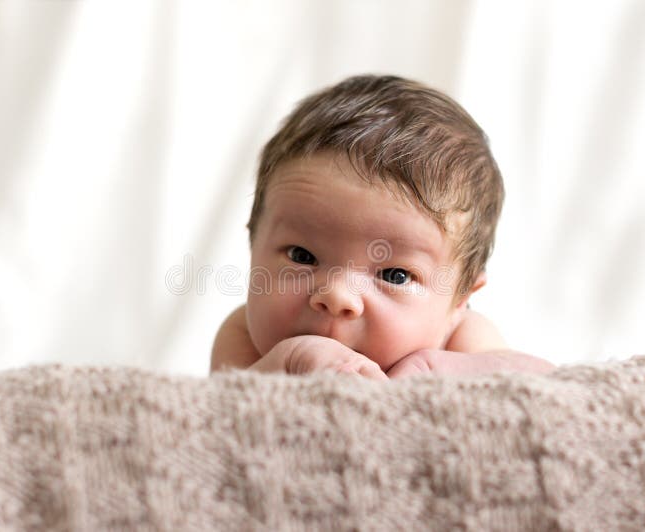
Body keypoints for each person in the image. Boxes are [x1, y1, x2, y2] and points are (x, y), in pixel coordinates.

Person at [210, 75, 555, 380]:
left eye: (395, 275)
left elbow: (545, 387)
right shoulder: (243, 333)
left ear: (459, 302)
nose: (337, 296)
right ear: (253, 246)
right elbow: (223, 427)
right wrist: (291, 361)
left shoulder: (464, 337)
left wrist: (433, 370)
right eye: (302, 256)